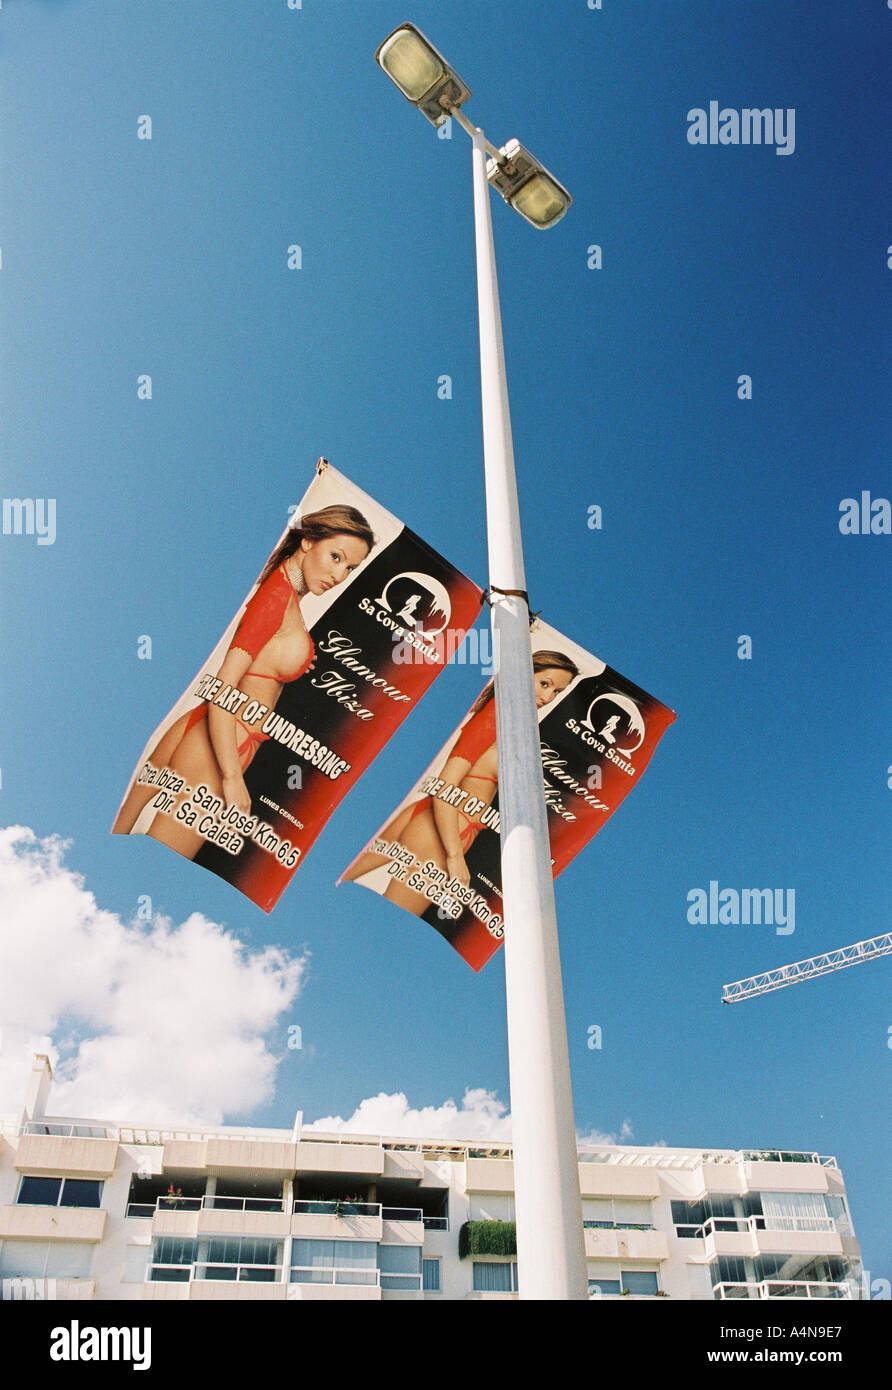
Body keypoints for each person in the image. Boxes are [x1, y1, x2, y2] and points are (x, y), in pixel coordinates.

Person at [112, 505, 374, 857]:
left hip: (208, 732)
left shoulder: (283, 591)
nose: (339, 575)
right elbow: (223, 686)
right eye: (336, 556)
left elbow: (258, 660)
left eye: (350, 568)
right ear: (309, 541)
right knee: (156, 867)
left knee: (122, 842)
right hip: (221, 745)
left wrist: (293, 663)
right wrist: (233, 778)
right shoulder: (277, 596)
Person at [344, 649, 579, 916]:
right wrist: (454, 854)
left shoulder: (510, 724)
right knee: (388, 926)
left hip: (429, 820)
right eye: (544, 683)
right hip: (444, 832)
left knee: (340, 881)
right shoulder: (496, 716)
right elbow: (445, 784)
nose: (547, 697)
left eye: (557, 691)